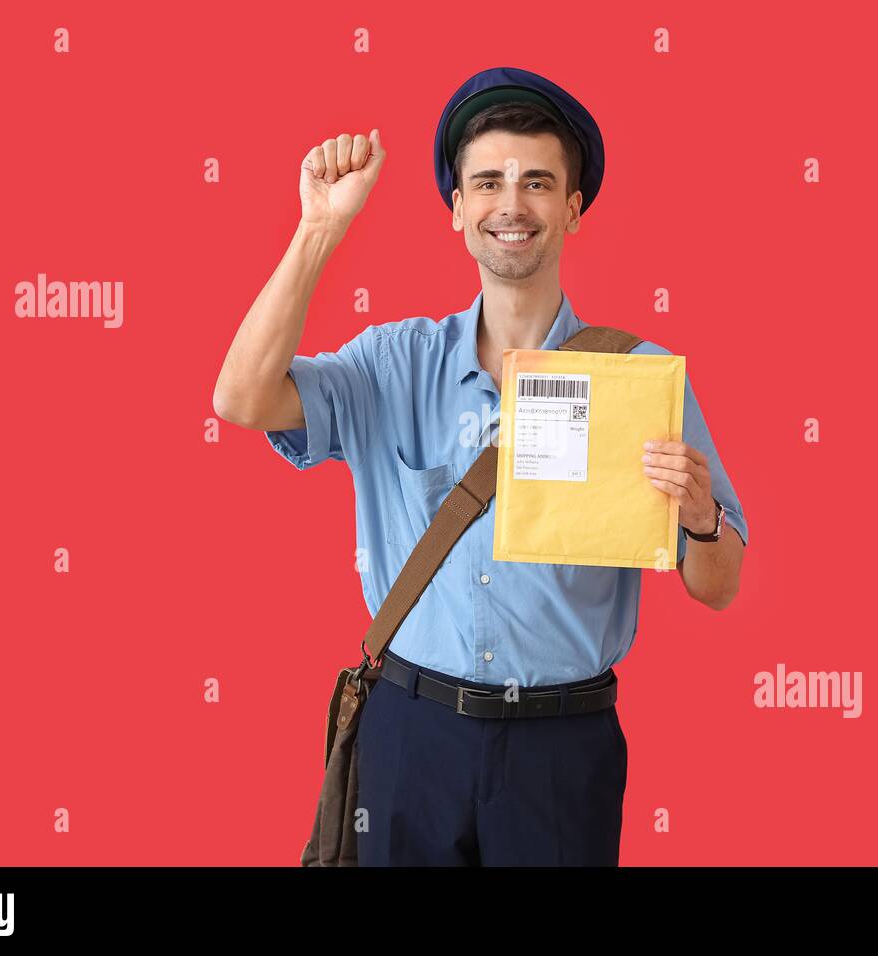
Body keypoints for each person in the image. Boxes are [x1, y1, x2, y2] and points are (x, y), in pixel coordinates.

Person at [212, 67, 749, 866]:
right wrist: (319, 228)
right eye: (488, 181)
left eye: (538, 182)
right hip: (409, 732)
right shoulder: (392, 362)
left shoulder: (638, 376)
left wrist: (701, 516)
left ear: (572, 208)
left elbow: (720, 585)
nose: (512, 204)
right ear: (458, 208)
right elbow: (242, 398)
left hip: (561, 749)